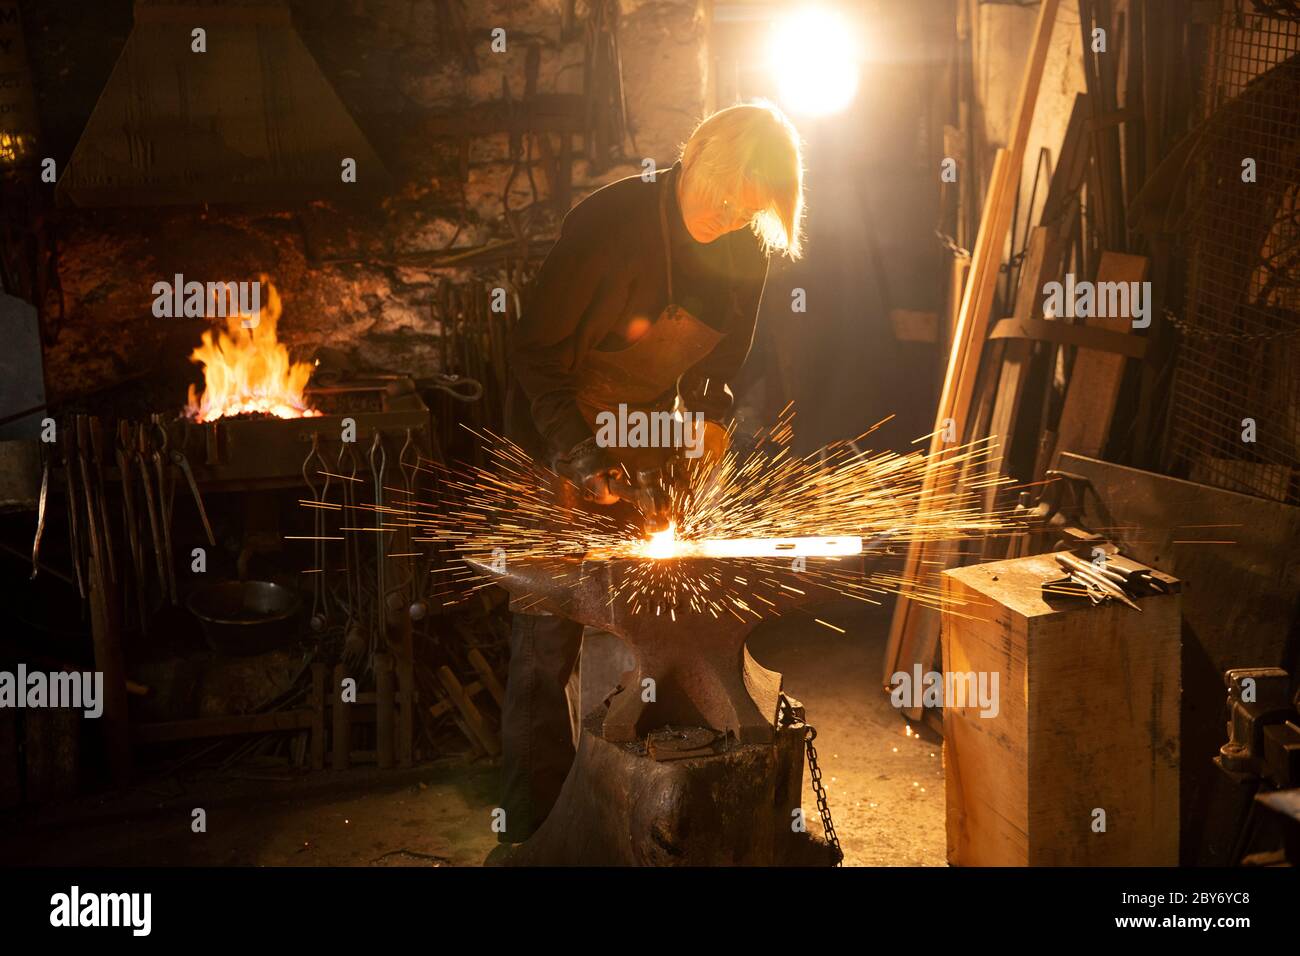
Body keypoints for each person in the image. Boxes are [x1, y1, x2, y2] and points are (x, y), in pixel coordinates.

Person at [497, 102, 805, 848]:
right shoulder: (609, 224)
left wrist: (707, 426)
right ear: (695, 154)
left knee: (655, 612)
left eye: (746, 209)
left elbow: (721, 367)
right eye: (722, 197)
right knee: (545, 643)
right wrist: (580, 454)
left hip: (645, 433)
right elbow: (533, 355)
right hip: (553, 426)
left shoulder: (747, 248)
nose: (728, 217)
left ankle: (637, 811)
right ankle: (533, 835)